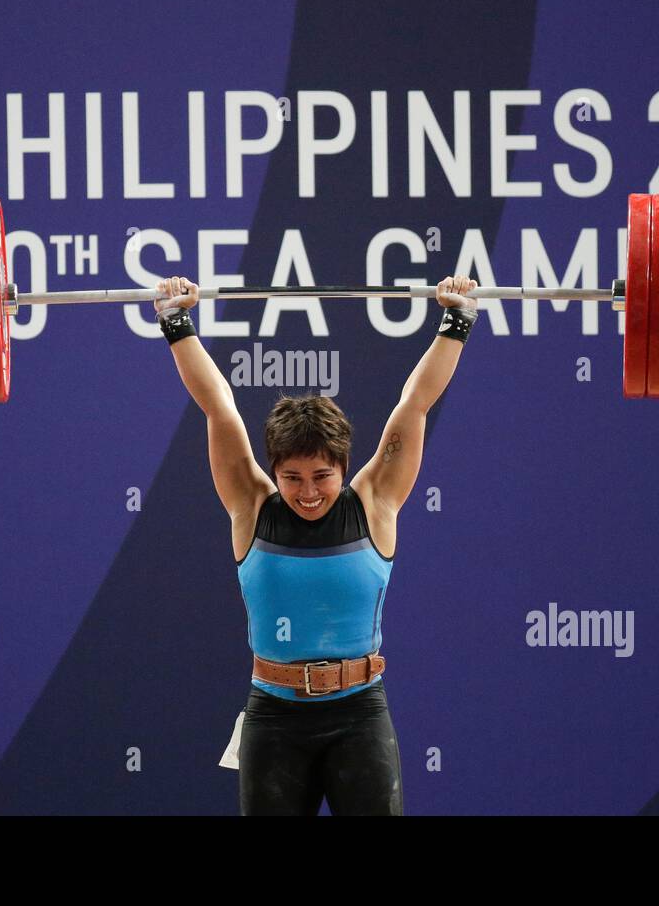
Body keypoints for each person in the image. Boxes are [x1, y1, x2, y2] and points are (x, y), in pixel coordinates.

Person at [153, 273, 480, 815]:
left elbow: (415, 404)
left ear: (345, 468)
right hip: (274, 719)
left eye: (322, 476)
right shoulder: (251, 506)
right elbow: (218, 407)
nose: (308, 493)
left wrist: (457, 320)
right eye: (293, 477)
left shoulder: (375, 501)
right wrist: (175, 321)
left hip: (359, 716)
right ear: (274, 472)